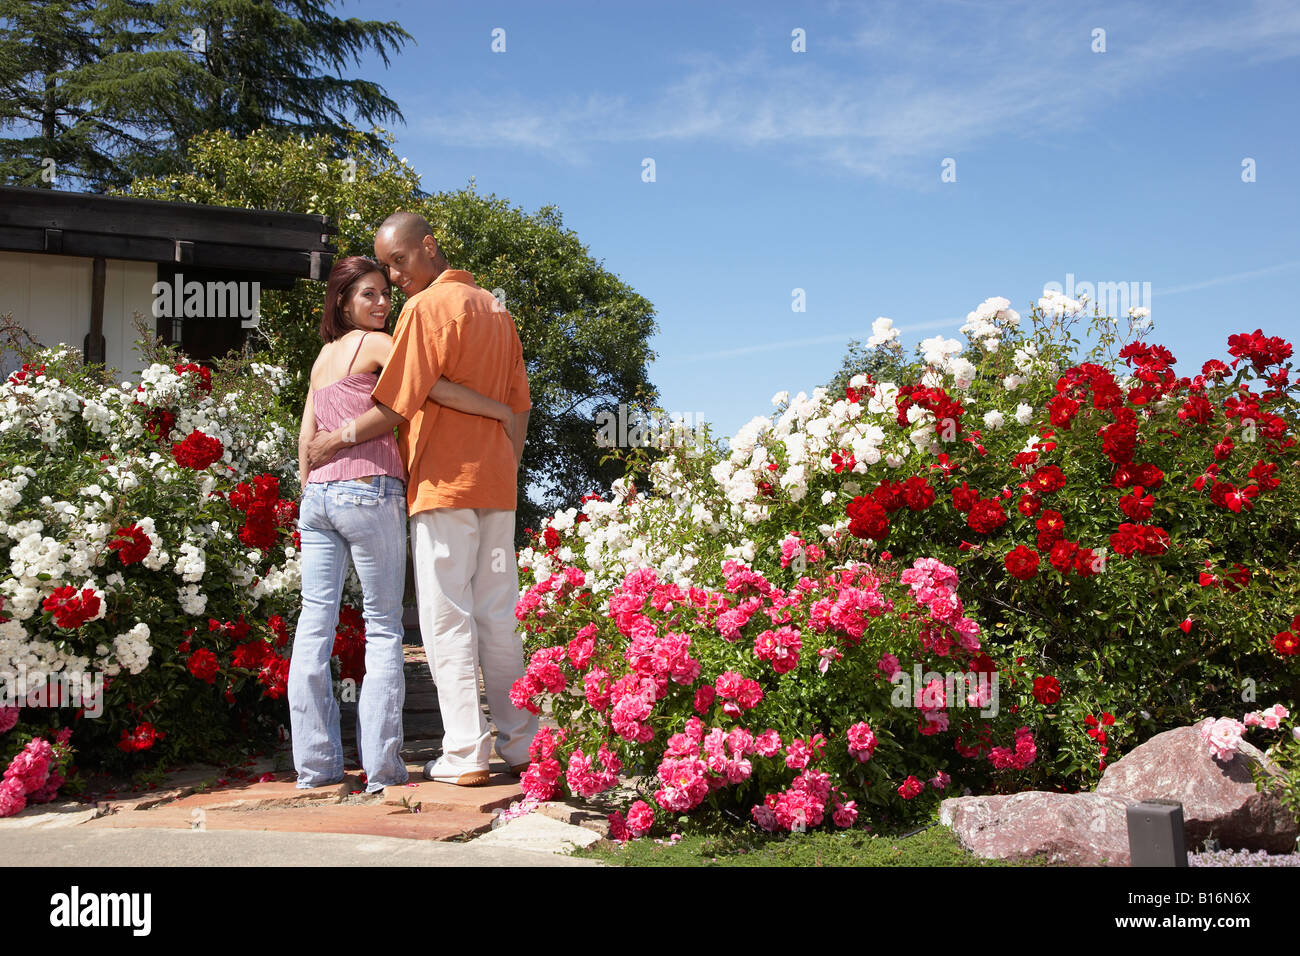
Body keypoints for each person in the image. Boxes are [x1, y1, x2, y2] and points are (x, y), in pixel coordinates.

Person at [307, 213, 535, 787]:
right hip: (495, 483)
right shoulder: (497, 311)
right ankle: (522, 743)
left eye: (400, 261)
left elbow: (398, 401)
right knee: (499, 615)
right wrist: (508, 458)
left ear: (428, 247)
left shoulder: (425, 310)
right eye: (386, 267)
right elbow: (519, 403)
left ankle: (464, 752)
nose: (395, 276)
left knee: (444, 617)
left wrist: (334, 438)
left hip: (441, 483)